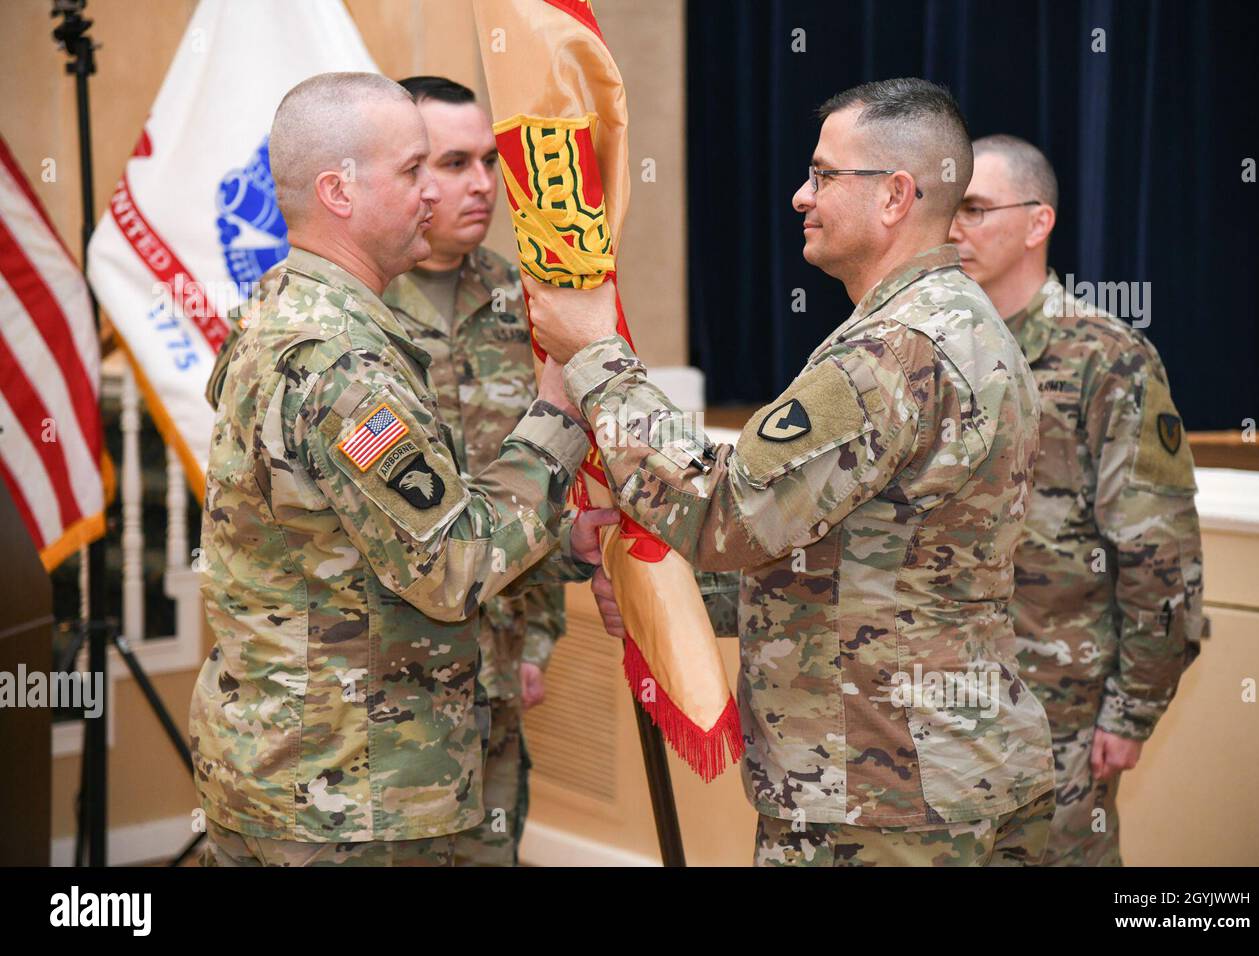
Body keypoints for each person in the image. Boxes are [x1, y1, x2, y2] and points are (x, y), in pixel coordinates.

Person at [529, 78, 1056, 866]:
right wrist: (685, 600)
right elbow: (876, 562)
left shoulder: (892, 350)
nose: (799, 195)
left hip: (882, 798)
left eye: (824, 175)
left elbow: (725, 512)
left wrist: (596, 357)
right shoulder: (955, 319)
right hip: (947, 771)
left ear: (895, 196)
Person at [190, 72, 614, 867]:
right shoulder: (342, 361)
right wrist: (558, 406)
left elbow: (353, 548)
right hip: (351, 795)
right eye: (414, 170)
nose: (437, 193)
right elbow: (450, 565)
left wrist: (558, 542)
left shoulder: (287, 312)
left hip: (298, 774)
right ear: (339, 192)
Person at [948, 134, 1206, 866]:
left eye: (974, 208)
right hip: (942, 705)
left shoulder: (1107, 356)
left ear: (1038, 222)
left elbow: (1159, 552)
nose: (953, 229)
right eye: (948, 210)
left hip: (1057, 708)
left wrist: (1133, 711)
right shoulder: (938, 352)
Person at [380, 75, 563, 866]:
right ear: (404, 169)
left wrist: (538, 643)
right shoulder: (352, 312)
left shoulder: (532, 302)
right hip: (383, 702)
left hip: (496, 677)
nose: (484, 184)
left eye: (490, 161)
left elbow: (554, 482)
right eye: (455, 162)